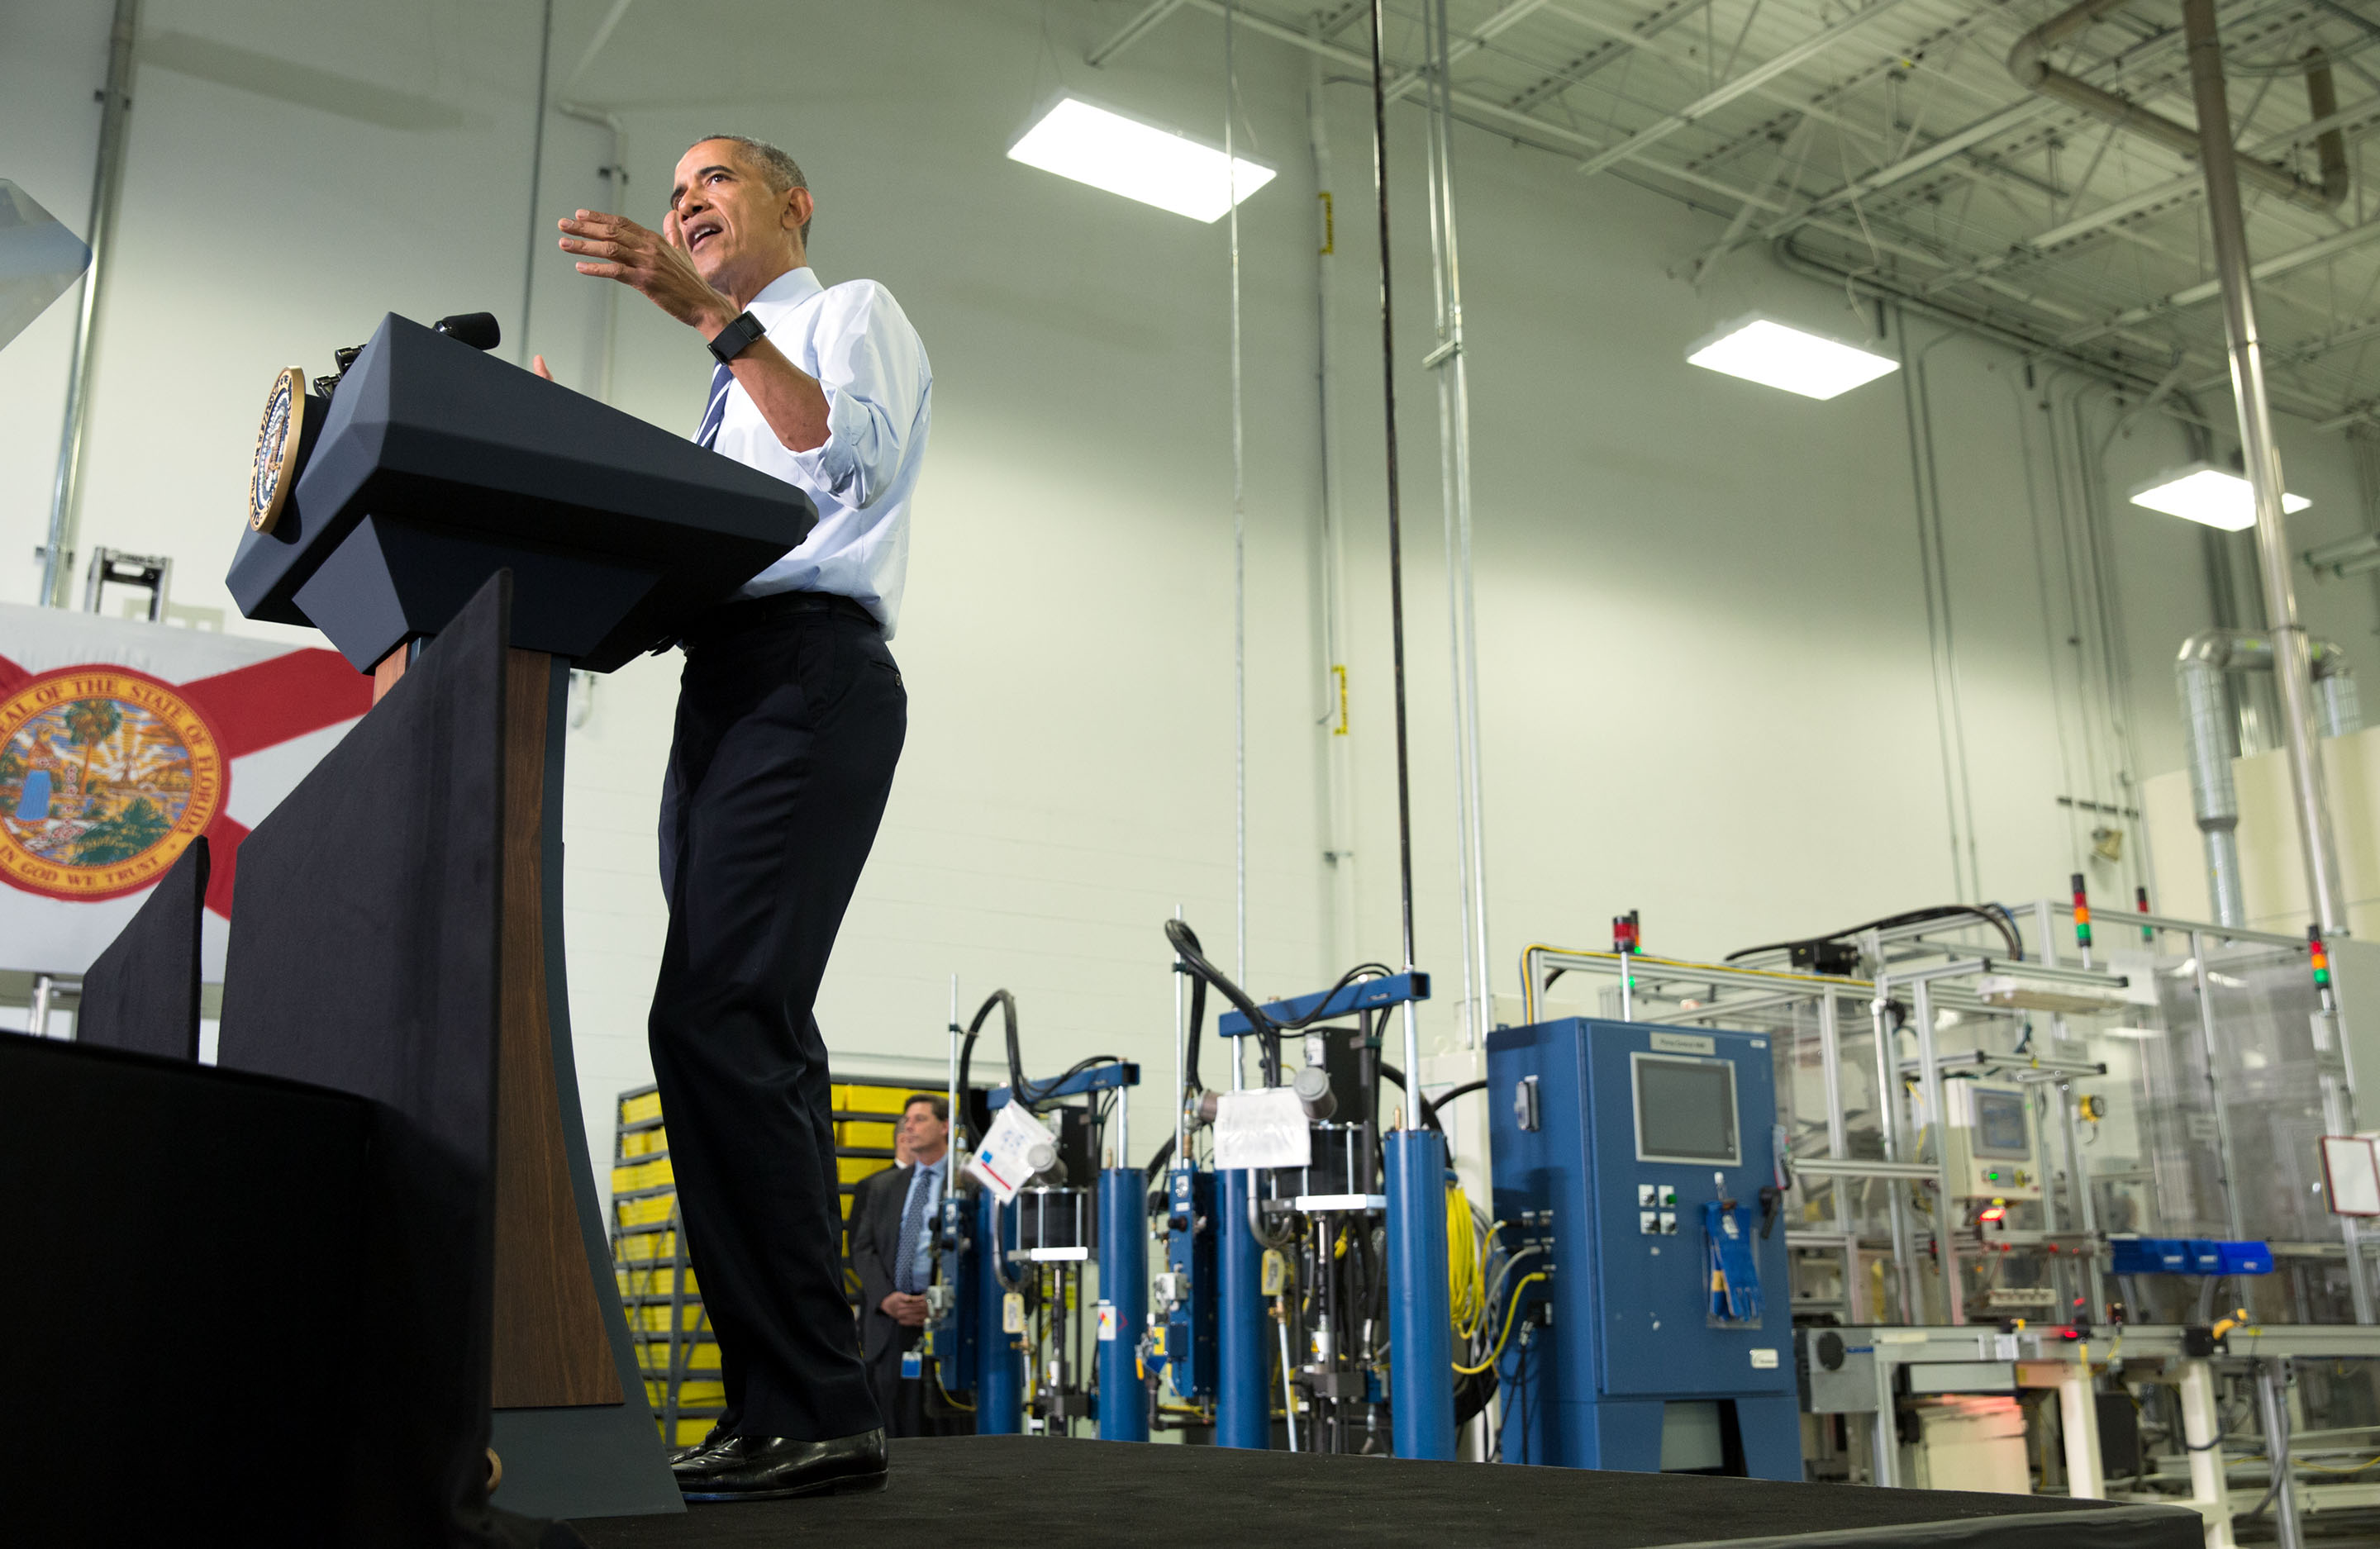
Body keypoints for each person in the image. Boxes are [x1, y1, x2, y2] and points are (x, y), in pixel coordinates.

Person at [548, 133, 931, 1502]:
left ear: (793, 201)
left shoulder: (846, 318)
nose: (685, 202)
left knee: (721, 1011)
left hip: (811, 678)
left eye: (714, 180)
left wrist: (711, 316)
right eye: (672, 193)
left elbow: (856, 470)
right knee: (721, 1026)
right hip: (723, 689)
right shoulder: (727, 394)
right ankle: (779, 1404)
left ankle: (821, 1403)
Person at [850, 1095, 971, 1437]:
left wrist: (940, 1302)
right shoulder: (884, 1187)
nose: (910, 1126)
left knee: (949, 1427)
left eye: (920, 1119)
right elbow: (863, 1248)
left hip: (947, 1322)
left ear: (945, 1126)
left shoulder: (967, 1185)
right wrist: (886, 1297)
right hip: (891, 1324)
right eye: (907, 1120)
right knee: (892, 1429)